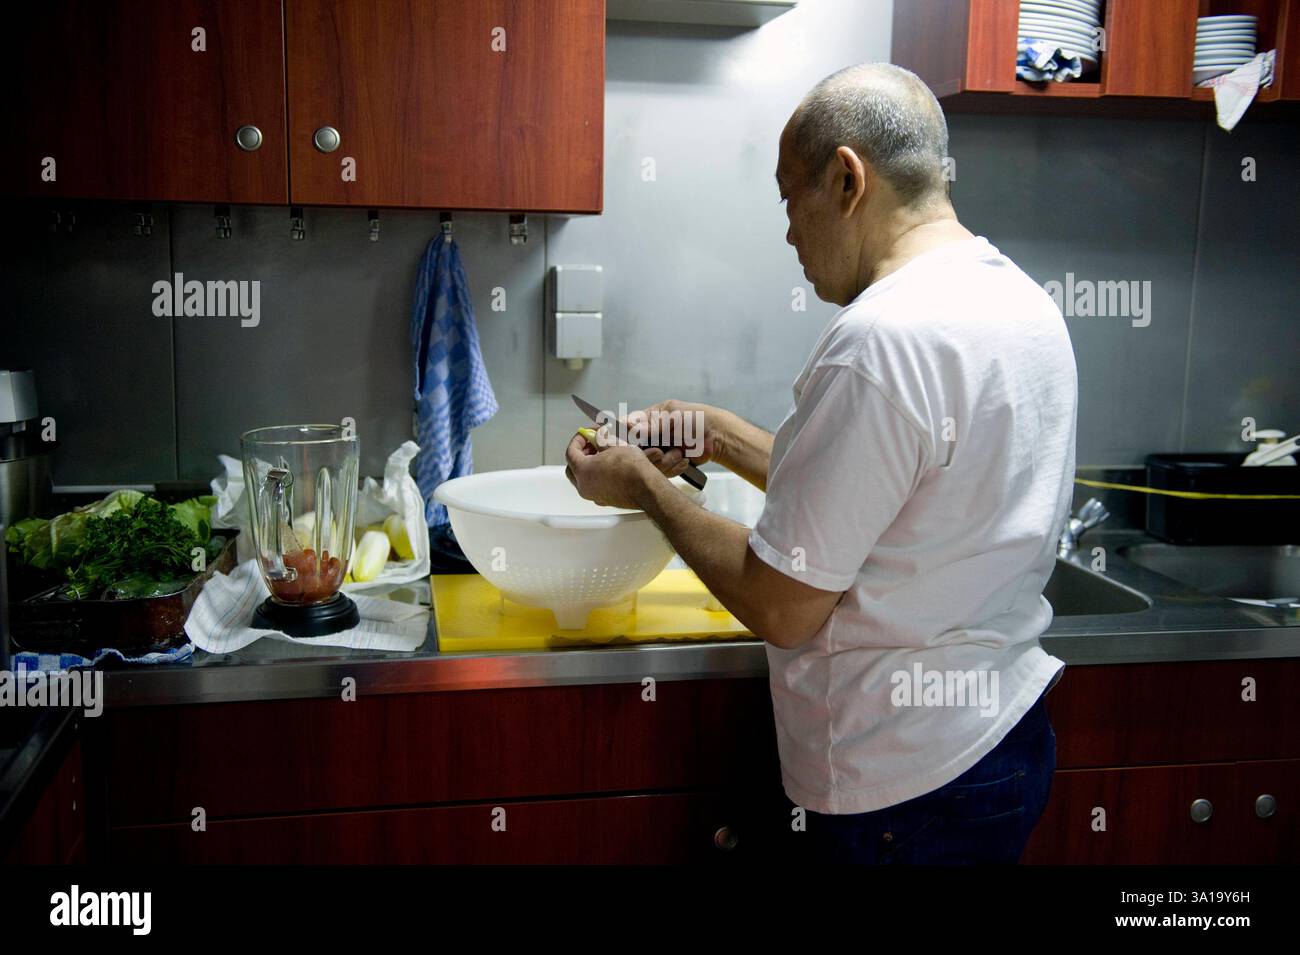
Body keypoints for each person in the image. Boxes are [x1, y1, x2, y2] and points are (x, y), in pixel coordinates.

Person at [564, 62, 1077, 864]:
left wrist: (643, 487)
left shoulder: (881, 341)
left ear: (847, 179)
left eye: (789, 197)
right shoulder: (1022, 303)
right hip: (1000, 743)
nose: (790, 232)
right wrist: (721, 434)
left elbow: (782, 604)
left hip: (900, 790)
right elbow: (890, 500)